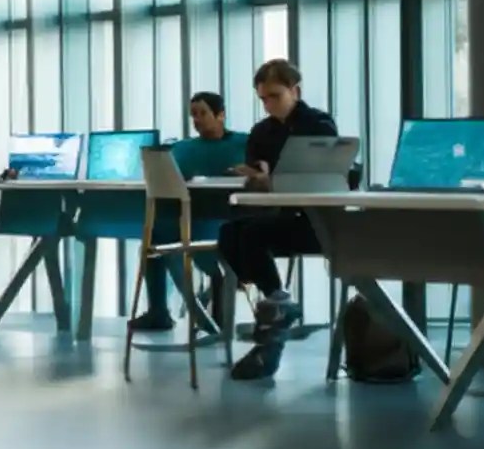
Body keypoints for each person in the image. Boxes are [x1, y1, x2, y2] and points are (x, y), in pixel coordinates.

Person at [217, 60, 338, 380]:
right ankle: (277, 302)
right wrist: (259, 180)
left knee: (252, 235)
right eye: (263, 99)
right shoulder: (261, 132)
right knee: (229, 233)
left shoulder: (319, 126)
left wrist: (274, 181)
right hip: (280, 216)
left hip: (315, 221)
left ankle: (274, 307)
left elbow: (324, 179)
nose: (269, 104)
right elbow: (261, 181)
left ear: (295, 91)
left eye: (274, 96)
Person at [129, 92, 248, 332]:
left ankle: (182, 314)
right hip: (191, 214)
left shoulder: (245, 143)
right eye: (193, 115)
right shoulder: (181, 148)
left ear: (221, 115)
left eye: (203, 113)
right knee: (154, 233)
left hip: (230, 215)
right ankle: (159, 310)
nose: (197, 120)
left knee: (160, 235)